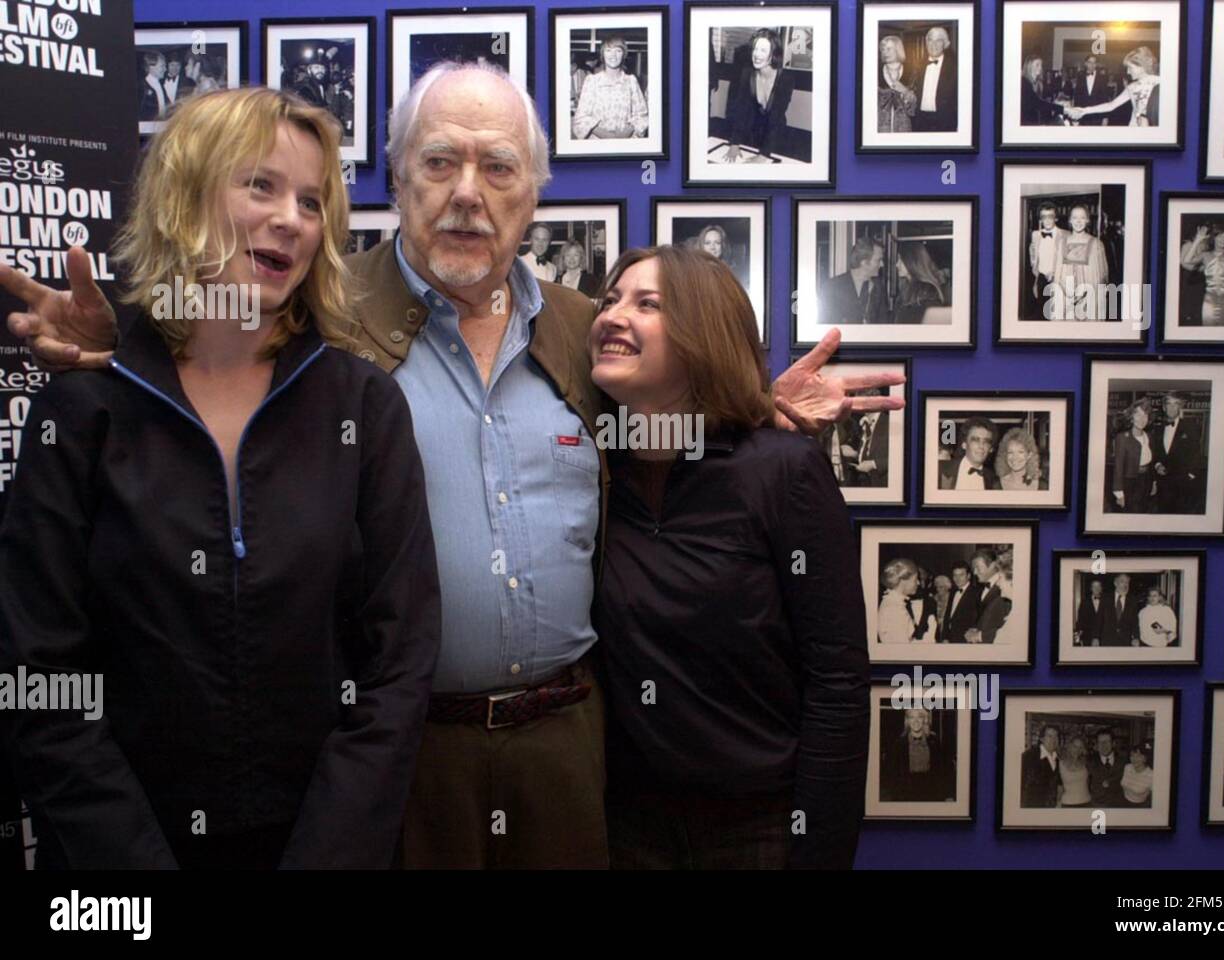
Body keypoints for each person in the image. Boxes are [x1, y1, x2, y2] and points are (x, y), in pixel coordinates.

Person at [3, 62, 898, 869]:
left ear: (532, 195)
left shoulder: (587, 331)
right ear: (396, 180)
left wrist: (753, 405)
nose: (468, 193)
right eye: (439, 163)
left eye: (499, 167)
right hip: (400, 750)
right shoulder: (323, 313)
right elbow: (210, 329)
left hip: (572, 743)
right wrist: (126, 332)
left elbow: (680, 410)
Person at [0, 88, 442, 868]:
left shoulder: (363, 404)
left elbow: (397, 663)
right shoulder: (84, 410)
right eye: (261, 185)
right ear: (186, 193)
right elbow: (41, 679)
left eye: (313, 200)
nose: (293, 219)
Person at [590, 246, 872, 869]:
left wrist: (817, 851)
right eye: (609, 301)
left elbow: (838, 680)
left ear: (702, 333)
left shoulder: (782, 470)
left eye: (647, 304)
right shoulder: (595, 472)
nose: (612, 315)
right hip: (626, 830)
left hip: (759, 831)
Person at [721, 28, 796, 162]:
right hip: (751, 134)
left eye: (763, 50)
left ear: (773, 54)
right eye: (755, 49)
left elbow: (776, 117)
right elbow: (741, 110)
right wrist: (734, 143)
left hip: (775, 136)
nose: (756, 54)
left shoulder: (786, 79)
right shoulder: (747, 73)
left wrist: (764, 155)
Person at [571, 36, 649, 140]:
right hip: (597, 144)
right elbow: (581, 119)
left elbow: (641, 116)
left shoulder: (631, 81)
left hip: (626, 144)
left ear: (624, 54)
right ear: (602, 54)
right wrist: (609, 136)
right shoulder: (592, 81)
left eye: (618, 51)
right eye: (608, 50)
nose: (613, 55)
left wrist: (626, 134)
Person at [1066, 47, 1160, 127]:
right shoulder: (1131, 87)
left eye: (1130, 68)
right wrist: (1084, 110)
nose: (1128, 72)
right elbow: (1111, 105)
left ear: (1141, 66)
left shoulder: (1159, 83)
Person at [1048, 205, 1108, 321]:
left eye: (1082, 218)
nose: (1078, 221)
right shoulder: (1061, 243)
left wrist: (1086, 294)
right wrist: (1066, 292)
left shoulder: (1096, 244)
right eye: (1075, 218)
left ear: (1088, 220)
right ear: (1070, 220)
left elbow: (1100, 275)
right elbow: (1058, 272)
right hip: (1065, 296)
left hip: (1088, 298)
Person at [1180, 224, 1224, 326]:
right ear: (1214, 238)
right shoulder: (1205, 255)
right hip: (1209, 301)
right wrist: (1197, 240)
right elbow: (1187, 260)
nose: (1223, 239)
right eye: (1220, 236)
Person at [882, 709, 952, 802]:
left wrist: (947, 794)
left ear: (925, 720)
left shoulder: (934, 742)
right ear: (907, 721)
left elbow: (944, 770)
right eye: (912, 717)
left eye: (919, 717)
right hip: (906, 795)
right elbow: (891, 773)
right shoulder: (898, 744)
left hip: (931, 794)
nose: (915, 721)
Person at [1153, 392, 1203, 514]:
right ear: (1164, 407)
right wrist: (1157, 465)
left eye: (1175, 404)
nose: (1171, 407)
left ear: (1180, 407)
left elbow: (1196, 453)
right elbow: (1156, 453)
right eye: (1169, 404)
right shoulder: (1157, 428)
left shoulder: (1191, 426)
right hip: (1163, 484)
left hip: (1183, 484)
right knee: (1163, 515)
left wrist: (1190, 476)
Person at [820, 237, 887, 324]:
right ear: (864, 262)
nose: (882, 264)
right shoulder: (832, 287)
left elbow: (883, 326)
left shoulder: (879, 288)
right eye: (878, 260)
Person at [1112, 398, 1155, 512]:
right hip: (1130, 483)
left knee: (1144, 511)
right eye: (1138, 415)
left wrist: (1153, 483)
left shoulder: (1149, 436)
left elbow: (1152, 462)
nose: (1142, 419)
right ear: (1131, 417)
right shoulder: (1122, 437)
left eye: (1145, 415)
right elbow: (1118, 467)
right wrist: (1119, 493)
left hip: (1146, 480)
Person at [912, 26, 957, 132]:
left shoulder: (956, 68)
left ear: (946, 44)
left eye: (938, 41)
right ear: (926, 43)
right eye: (930, 40)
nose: (933, 45)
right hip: (920, 122)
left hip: (945, 122)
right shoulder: (917, 66)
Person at [878, 558, 933, 644]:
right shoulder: (894, 608)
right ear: (904, 581)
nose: (918, 583)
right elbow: (902, 651)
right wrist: (928, 639)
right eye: (915, 580)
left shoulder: (894, 602)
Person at [939, 418, 1000, 490]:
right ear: (964, 444)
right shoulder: (940, 468)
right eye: (976, 440)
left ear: (991, 449)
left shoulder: (994, 482)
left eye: (986, 441)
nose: (981, 446)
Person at [893, 242, 947, 323]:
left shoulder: (928, 292)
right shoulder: (906, 289)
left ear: (912, 261)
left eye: (900, 259)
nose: (897, 264)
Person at [967, 550, 1010, 644]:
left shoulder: (1006, 590)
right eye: (974, 568)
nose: (974, 572)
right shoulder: (980, 589)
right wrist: (975, 629)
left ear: (992, 565)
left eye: (978, 567)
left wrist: (980, 635)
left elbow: (1008, 627)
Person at [1027, 203, 1061, 321]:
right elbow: (1032, 252)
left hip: (1058, 278)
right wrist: (1036, 270)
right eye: (1043, 217)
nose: (1046, 220)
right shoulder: (1035, 235)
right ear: (1040, 219)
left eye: (1050, 216)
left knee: (1057, 313)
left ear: (1056, 218)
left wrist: (1055, 272)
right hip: (1041, 279)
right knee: (1041, 313)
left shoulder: (1064, 235)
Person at [877, 35, 917, 133]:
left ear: (898, 50)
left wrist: (904, 90)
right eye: (883, 49)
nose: (885, 52)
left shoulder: (911, 72)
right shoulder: (875, 71)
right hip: (879, 128)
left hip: (903, 128)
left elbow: (914, 108)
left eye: (889, 49)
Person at [838, 408, 888, 487]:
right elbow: (869, 451)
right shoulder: (863, 422)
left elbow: (900, 459)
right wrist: (854, 454)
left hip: (881, 484)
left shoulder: (889, 422)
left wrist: (874, 464)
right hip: (862, 482)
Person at [1021, 725, 1062, 808]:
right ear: (1041, 739)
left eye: (1056, 736)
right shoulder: (1029, 756)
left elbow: (1056, 783)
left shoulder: (1057, 758)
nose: (1054, 739)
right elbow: (1023, 785)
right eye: (1050, 736)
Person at [941, 561, 980, 643]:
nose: (957, 578)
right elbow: (947, 616)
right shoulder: (953, 592)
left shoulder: (976, 593)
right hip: (950, 639)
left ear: (968, 576)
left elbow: (976, 621)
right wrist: (945, 637)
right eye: (955, 575)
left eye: (961, 575)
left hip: (965, 641)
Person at [1021, 55, 1065, 126]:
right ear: (1029, 66)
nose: (1040, 68)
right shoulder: (1024, 83)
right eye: (1037, 65)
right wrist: (1063, 109)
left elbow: (1042, 102)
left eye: (1041, 65)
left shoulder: (1037, 83)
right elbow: (1038, 103)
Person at [1088, 730, 1127, 807]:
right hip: (1096, 806)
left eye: (1107, 741)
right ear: (1096, 745)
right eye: (1100, 742)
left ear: (1113, 743)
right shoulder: (1089, 761)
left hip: (1118, 806)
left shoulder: (1124, 761)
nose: (1103, 745)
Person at [1102, 573, 1140, 647]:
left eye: (1127, 582)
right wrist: (1095, 637)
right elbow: (1099, 618)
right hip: (1107, 641)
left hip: (1125, 641)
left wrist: (1136, 637)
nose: (1125, 585)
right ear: (1115, 583)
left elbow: (1135, 621)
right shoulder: (1105, 598)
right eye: (1122, 582)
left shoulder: (1132, 600)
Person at [1071, 56, 1110, 126]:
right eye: (1090, 62)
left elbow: (1105, 99)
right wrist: (1075, 115)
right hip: (1083, 115)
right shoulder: (1080, 77)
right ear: (1086, 63)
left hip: (1097, 115)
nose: (1092, 65)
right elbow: (1077, 97)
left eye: (1094, 63)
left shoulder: (1102, 78)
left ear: (1096, 64)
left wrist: (1105, 117)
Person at [1058, 737, 1092, 807]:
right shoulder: (1060, 764)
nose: (1077, 750)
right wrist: (1058, 802)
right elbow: (1059, 787)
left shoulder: (1086, 763)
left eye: (1080, 747)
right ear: (1070, 746)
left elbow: (1089, 783)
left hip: (1087, 803)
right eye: (1075, 746)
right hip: (1067, 804)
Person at [1074, 579, 1107, 647]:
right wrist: (1078, 636)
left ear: (1101, 588)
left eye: (1098, 586)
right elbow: (1080, 619)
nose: (1096, 588)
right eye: (1094, 586)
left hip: (1103, 636)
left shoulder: (1107, 601)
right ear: (1091, 588)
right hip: (1088, 636)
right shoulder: (1084, 602)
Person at [139, 51, 167, 120]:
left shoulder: (160, 84)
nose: (165, 69)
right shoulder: (141, 87)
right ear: (151, 67)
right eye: (162, 66)